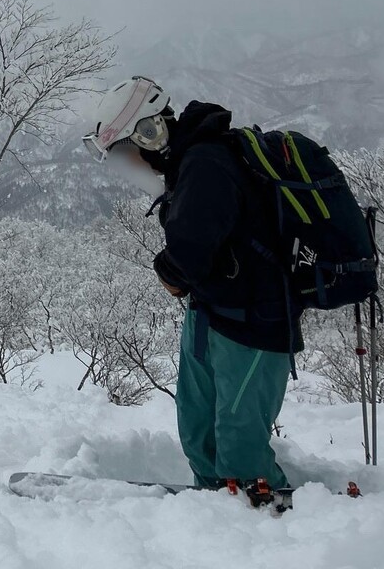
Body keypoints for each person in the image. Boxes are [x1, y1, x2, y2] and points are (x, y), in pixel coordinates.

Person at [83, 76, 301, 497]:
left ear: (151, 133)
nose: (129, 166)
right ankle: (214, 510)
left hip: (255, 322)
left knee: (239, 447)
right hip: (211, 314)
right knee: (198, 432)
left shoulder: (206, 163)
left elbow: (188, 253)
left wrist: (167, 271)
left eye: (128, 153)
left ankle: (274, 522)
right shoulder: (186, 166)